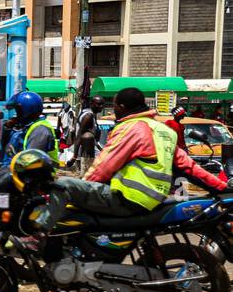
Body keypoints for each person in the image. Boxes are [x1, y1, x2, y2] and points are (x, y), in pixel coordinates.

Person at [37, 87, 223, 229]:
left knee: (63, 185)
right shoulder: (163, 131)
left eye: (115, 105)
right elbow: (190, 167)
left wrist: (83, 189)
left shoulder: (130, 128)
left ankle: (36, 235)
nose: (113, 109)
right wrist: (221, 187)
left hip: (127, 199)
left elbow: (103, 167)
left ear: (122, 107)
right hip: (154, 200)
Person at [2, 90, 55, 160]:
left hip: (39, 170)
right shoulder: (26, 127)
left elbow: (31, 160)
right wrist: (7, 128)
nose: (16, 116)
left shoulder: (40, 130)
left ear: (27, 110)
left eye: (18, 111)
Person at [75, 96, 105, 175]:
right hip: (88, 154)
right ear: (92, 104)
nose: (101, 106)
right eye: (98, 104)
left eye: (102, 104)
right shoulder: (88, 116)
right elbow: (79, 136)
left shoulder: (90, 113)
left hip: (90, 152)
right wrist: (74, 156)